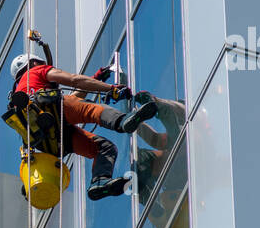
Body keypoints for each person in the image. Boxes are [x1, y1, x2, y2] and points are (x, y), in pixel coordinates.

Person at [9, 50, 158, 200]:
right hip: (52, 109)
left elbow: (73, 100)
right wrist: (110, 89)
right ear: (34, 63)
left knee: (104, 148)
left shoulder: (20, 94)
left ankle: (99, 181)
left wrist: (95, 79)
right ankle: (123, 121)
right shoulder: (37, 70)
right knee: (92, 110)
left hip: (49, 138)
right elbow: (74, 80)